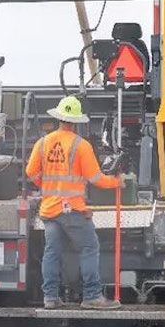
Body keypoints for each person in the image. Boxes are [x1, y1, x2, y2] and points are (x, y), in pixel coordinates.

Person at [25, 95, 122, 310]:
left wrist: (47, 187)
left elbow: (31, 171)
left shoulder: (43, 143)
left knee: (52, 252)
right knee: (89, 247)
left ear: (59, 118)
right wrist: (117, 182)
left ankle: (50, 297)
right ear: (76, 121)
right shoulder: (81, 145)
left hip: (49, 210)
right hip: (71, 211)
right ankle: (92, 296)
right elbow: (96, 178)